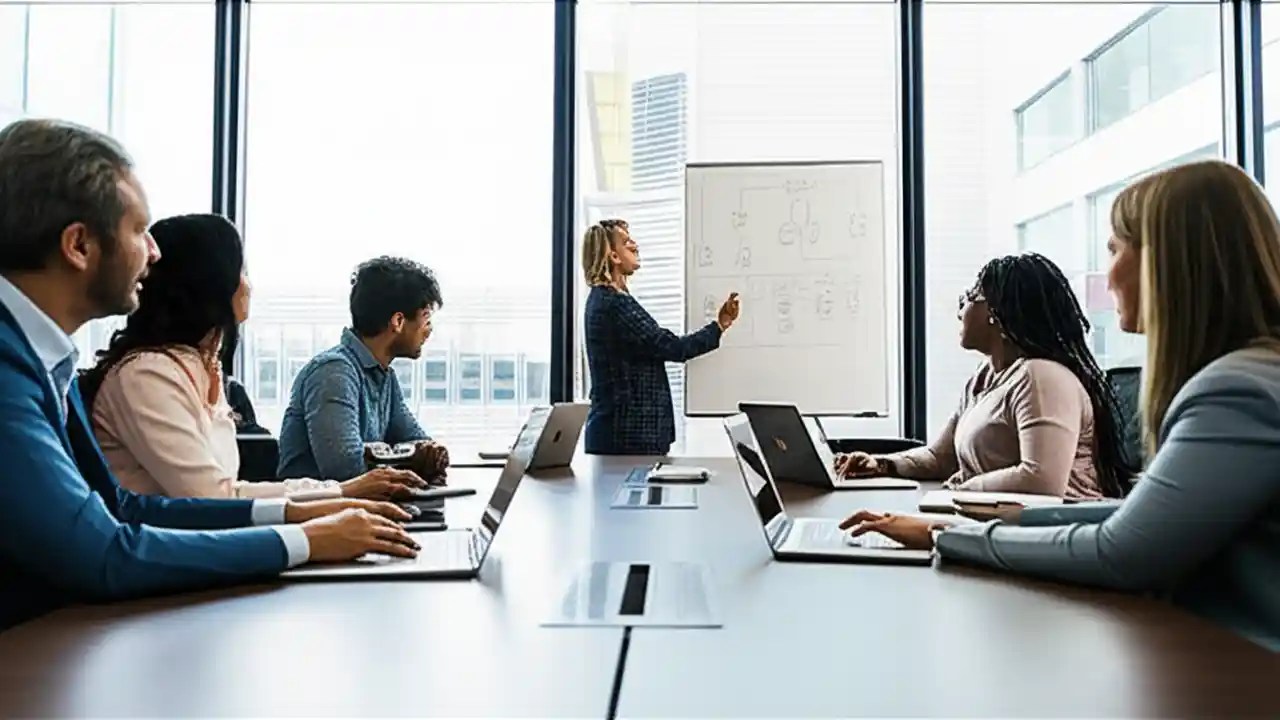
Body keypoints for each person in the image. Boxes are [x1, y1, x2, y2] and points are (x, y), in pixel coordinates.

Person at [841, 160, 1280, 651]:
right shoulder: (1249, 378)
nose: (1107, 277)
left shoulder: (1237, 393)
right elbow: (1130, 518)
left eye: (1114, 249)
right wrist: (967, 523)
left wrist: (949, 535)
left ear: (1170, 261)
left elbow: (1122, 550)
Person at [0, 119, 420, 630]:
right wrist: (304, 540)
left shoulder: (41, 358)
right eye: (139, 231)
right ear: (79, 246)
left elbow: (124, 508)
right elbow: (101, 551)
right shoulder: (12, 367)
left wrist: (302, 516)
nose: (153, 253)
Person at [80, 214, 426, 502]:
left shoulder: (200, 370)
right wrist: (340, 494)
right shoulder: (147, 375)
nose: (248, 286)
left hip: (206, 551)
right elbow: (215, 500)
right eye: (241, 272)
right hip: (173, 570)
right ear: (211, 283)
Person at [836, 253, 1131, 501]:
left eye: (969, 297)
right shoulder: (985, 378)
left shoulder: (1042, 377)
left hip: (1055, 535)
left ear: (997, 313)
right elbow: (942, 458)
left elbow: (1041, 481)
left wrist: (962, 490)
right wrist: (884, 464)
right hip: (997, 527)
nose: (960, 310)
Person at [277, 256, 449, 481]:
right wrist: (407, 459)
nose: (429, 330)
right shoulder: (333, 373)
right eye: (426, 317)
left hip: (361, 508)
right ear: (398, 321)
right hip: (320, 513)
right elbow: (346, 470)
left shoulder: (384, 376)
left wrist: (427, 455)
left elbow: (420, 445)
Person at [581, 219, 740, 455]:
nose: (635, 245)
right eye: (627, 242)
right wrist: (719, 326)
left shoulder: (607, 299)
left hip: (625, 437)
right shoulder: (613, 304)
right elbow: (671, 347)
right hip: (626, 439)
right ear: (613, 256)